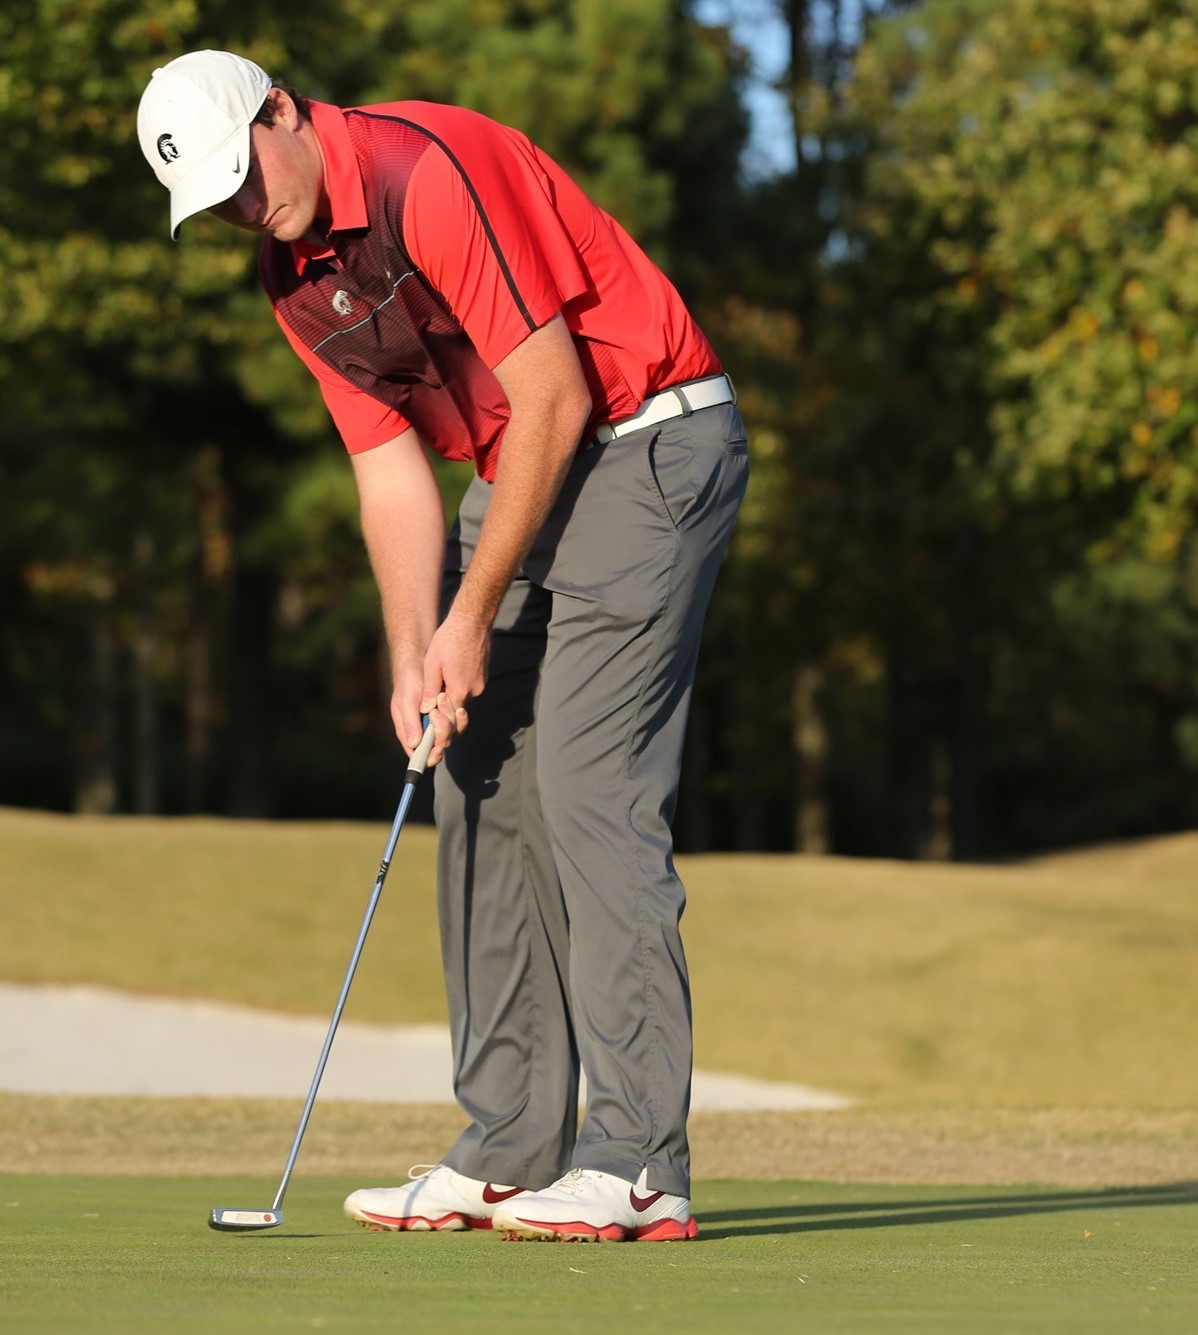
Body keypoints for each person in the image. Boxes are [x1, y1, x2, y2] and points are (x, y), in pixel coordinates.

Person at [137, 49, 746, 1242]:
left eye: (242, 177)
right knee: (471, 774)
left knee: (587, 782)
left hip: (647, 440)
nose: (244, 209)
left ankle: (636, 1163)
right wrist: (416, 651)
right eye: (215, 203)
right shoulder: (293, 279)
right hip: (523, 470)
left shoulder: (426, 169)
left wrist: (471, 616)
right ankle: (510, 1149)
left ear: (280, 110)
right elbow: (387, 472)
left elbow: (557, 395)